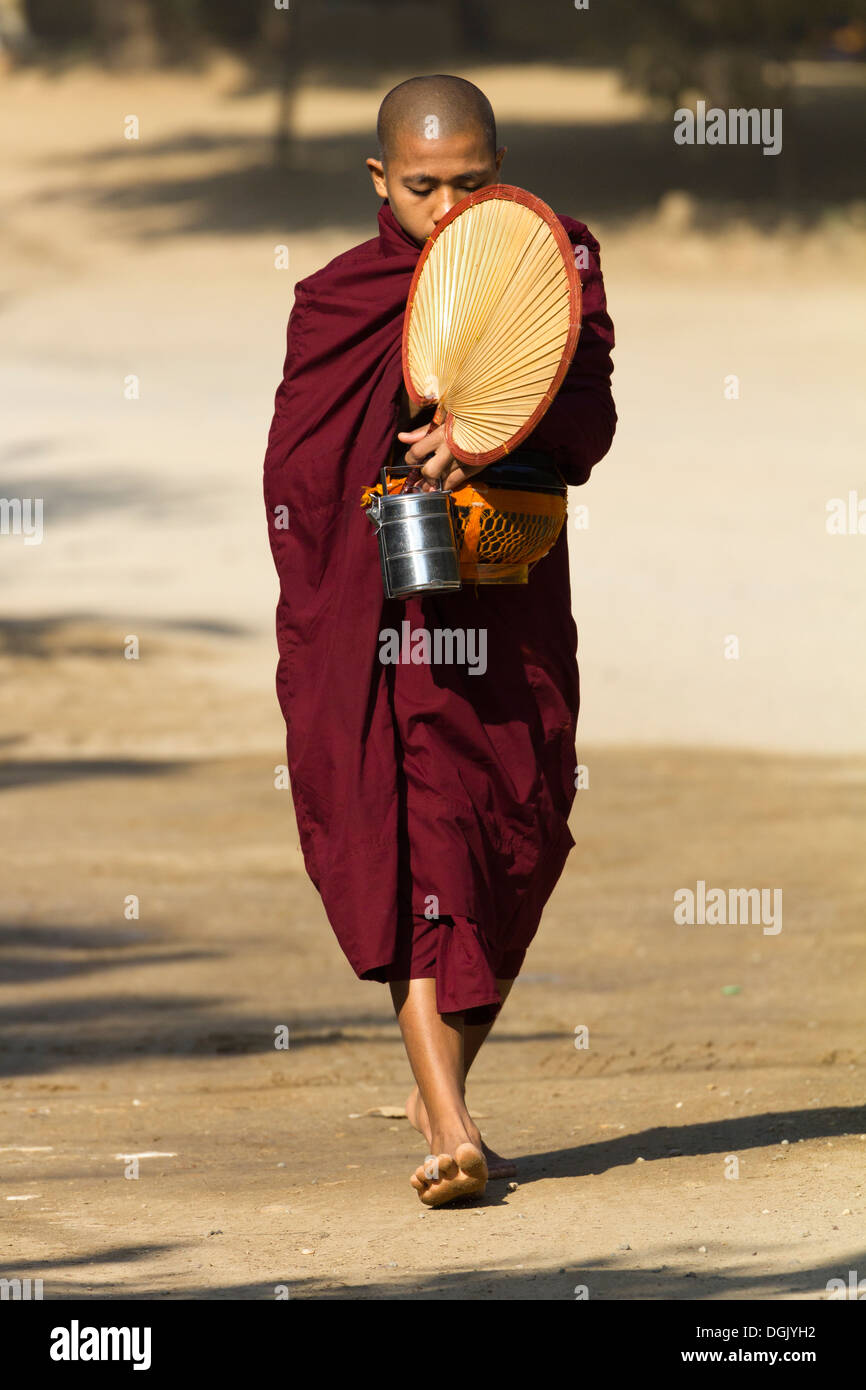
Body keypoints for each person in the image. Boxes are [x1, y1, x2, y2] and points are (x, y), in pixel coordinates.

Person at [263, 74, 616, 1206]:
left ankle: (438, 1084)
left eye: (473, 181)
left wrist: (485, 436)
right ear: (380, 180)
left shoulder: (550, 265)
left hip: (505, 594)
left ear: (500, 167)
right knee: (417, 829)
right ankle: (450, 1131)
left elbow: (589, 419)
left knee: (518, 820)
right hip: (385, 612)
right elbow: (298, 471)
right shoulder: (339, 299)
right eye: (423, 187)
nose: (449, 209)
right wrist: (392, 466)